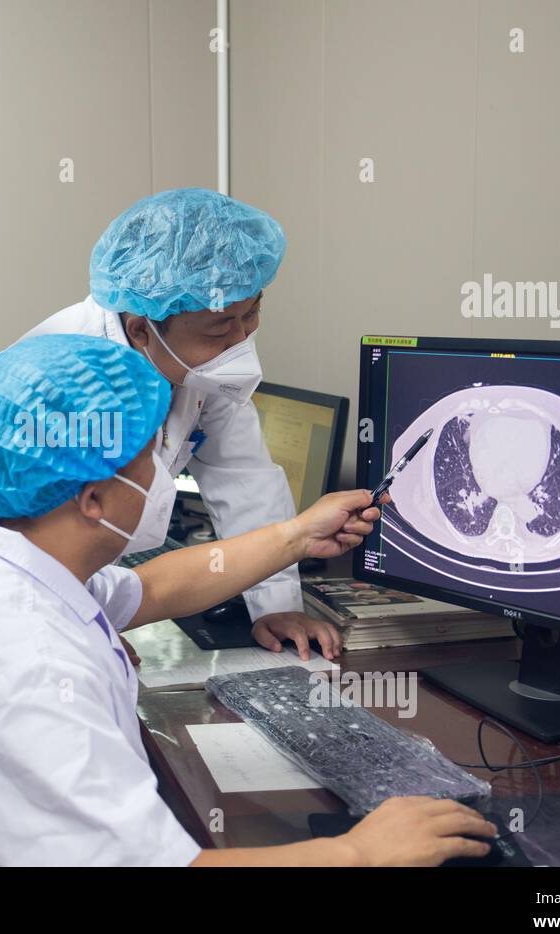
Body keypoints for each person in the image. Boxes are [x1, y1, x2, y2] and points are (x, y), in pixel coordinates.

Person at [0, 335, 497, 866]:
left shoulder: (4, 561)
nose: (159, 473)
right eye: (148, 455)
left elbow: (154, 587)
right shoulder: (32, 667)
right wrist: (362, 852)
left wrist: (296, 535)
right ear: (93, 500)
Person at [24, 188, 342, 661]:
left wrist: (274, 606)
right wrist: (78, 632)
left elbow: (244, 479)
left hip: (102, 583)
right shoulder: (60, 378)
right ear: (141, 330)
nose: (240, 340)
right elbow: (24, 541)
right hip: (25, 608)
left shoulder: (198, 365)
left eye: (252, 312)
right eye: (220, 329)